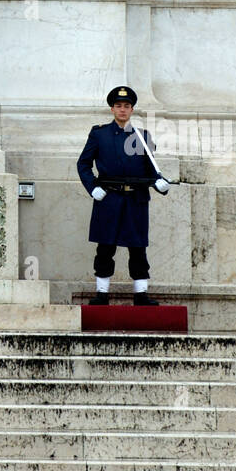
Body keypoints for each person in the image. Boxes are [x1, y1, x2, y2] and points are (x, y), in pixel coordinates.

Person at [76, 86, 170, 306]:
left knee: (137, 248)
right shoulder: (99, 134)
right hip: (109, 198)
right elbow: (83, 164)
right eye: (118, 106)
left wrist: (159, 183)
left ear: (132, 109)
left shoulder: (142, 136)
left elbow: (151, 170)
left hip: (136, 200)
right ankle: (101, 293)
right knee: (105, 247)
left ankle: (141, 294)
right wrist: (92, 188)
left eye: (126, 106)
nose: (122, 110)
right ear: (112, 109)